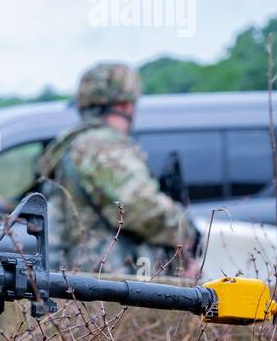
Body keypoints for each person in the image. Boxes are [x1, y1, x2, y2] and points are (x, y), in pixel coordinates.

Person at [35, 61, 200, 277]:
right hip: (111, 281)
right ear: (125, 105)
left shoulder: (69, 144)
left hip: (84, 278)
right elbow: (142, 208)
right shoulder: (102, 146)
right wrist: (187, 234)